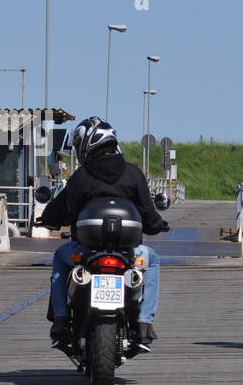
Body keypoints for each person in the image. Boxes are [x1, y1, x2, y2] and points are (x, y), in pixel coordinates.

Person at [39, 117, 170, 350]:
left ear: (87, 145)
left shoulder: (81, 176)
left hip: (85, 252)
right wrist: (159, 224)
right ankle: (144, 322)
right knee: (153, 261)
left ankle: (60, 319)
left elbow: (62, 210)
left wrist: (47, 219)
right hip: (128, 254)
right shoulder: (132, 173)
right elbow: (149, 215)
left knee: (60, 257)